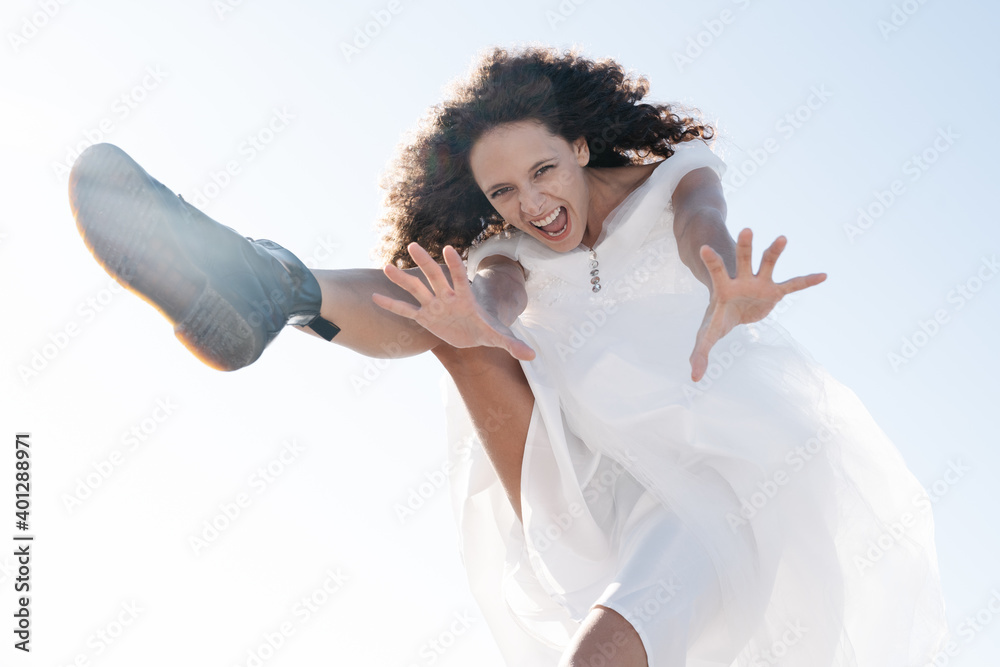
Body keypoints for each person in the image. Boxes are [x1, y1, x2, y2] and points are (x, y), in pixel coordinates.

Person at [69, 46, 948, 666]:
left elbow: (700, 224)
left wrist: (720, 277)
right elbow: (495, 295)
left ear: (579, 145)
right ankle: (271, 287)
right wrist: (477, 316)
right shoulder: (511, 249)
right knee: (453, 326)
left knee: (603, 652)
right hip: (584, 487)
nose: (531, 204)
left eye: (542, 171)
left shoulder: (675, 177)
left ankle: (272, 285)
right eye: (503, 191)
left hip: (716, 479)